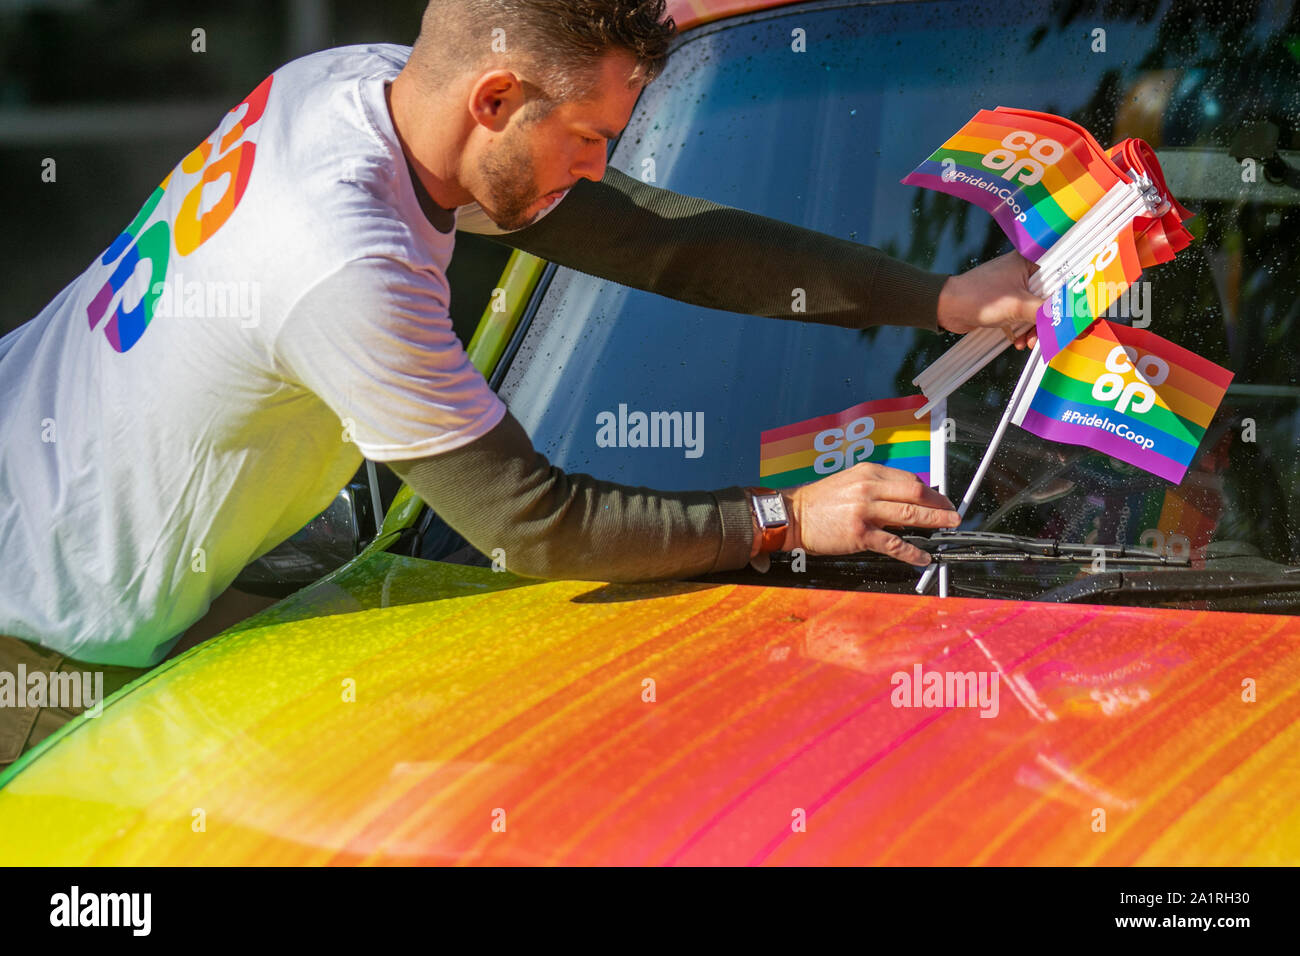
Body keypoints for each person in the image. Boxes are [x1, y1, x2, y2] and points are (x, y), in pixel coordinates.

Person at [0, 0, 1042, 765]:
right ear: (495, 98)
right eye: (587, 136)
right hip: (33, 646)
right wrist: (783, 513)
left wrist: (942, 298)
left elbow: (653, 240)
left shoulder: (361, 91)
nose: (598, 166)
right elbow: (530, 522)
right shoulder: (343, 260)